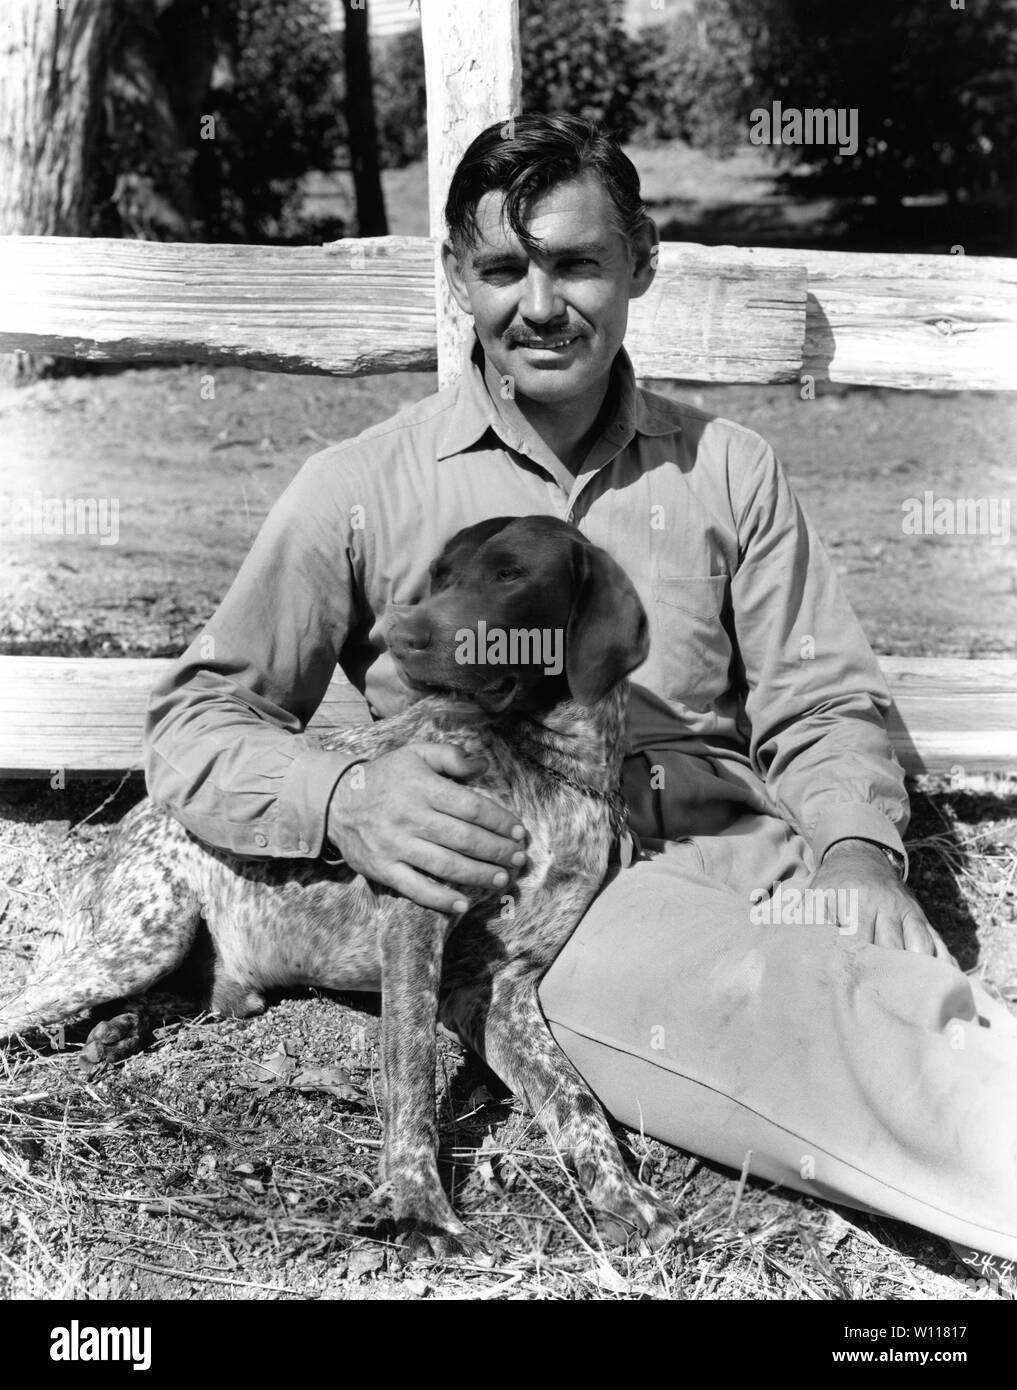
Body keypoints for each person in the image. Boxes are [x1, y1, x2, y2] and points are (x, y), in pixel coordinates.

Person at [145, 114, 1017, 1266]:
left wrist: (856, 852)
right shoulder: (360, 488)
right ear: (459, 279)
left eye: (575, 262)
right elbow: (199, 720)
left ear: (640, 263)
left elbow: (818, 701)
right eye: (505, 269)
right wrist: (347, 789)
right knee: (795, 1005)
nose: (540, 304)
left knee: (884, 967)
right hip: (571, 897)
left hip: (751, 853)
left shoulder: (729, 470)